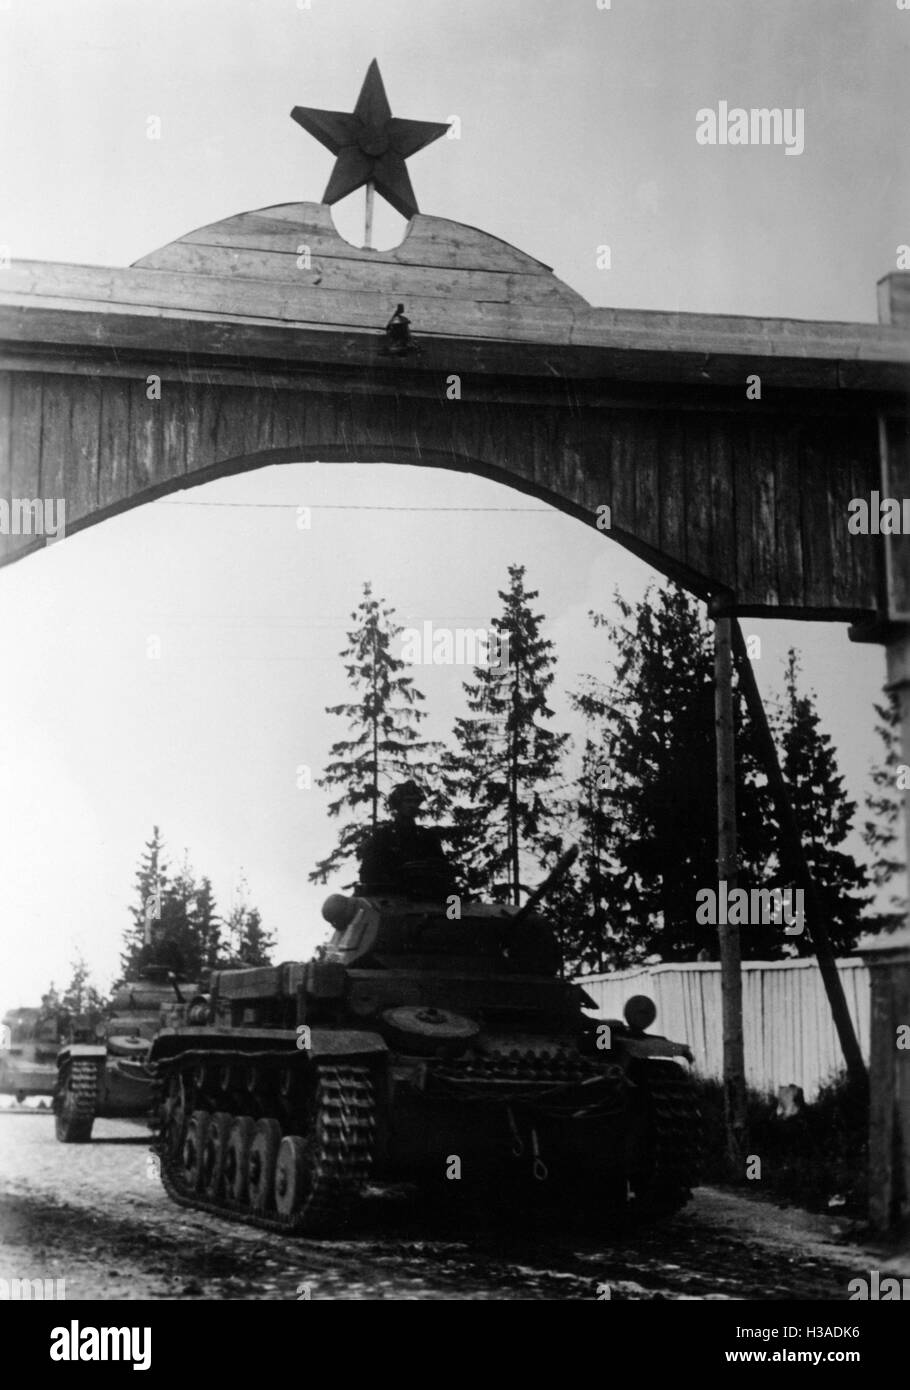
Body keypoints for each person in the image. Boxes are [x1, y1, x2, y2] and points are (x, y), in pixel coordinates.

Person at [358, 780, 454, 898]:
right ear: (397, 804)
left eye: (415, 801)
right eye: (408, 801)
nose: (412, 805)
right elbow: (367, 875)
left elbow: (443, 869)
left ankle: (454, 917)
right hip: (391, 897)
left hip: (426, 896)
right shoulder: (383, 836)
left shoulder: (427, 837)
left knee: (454, 899)